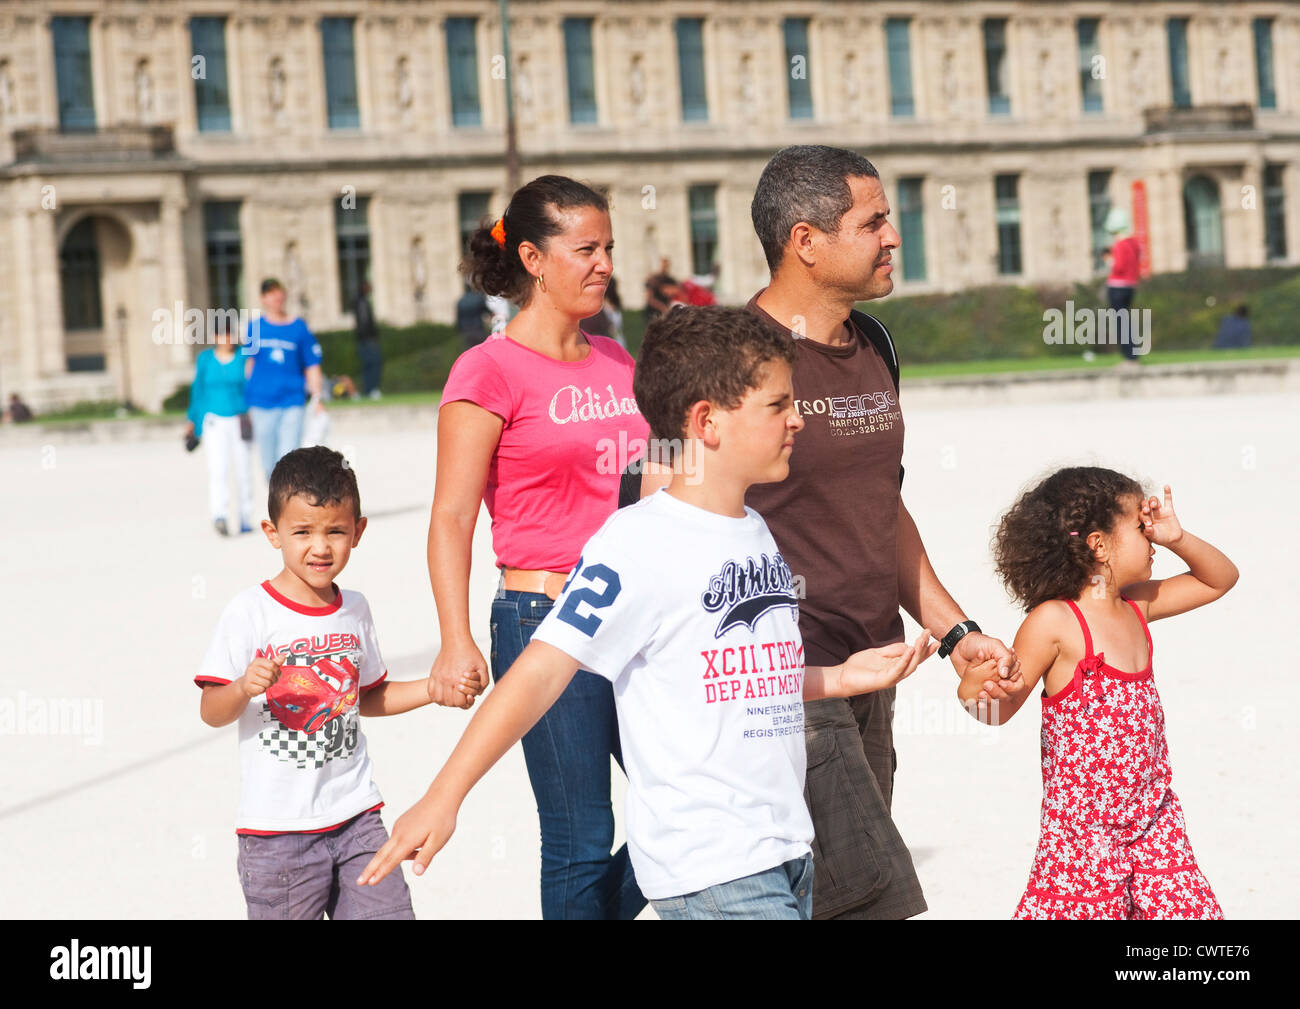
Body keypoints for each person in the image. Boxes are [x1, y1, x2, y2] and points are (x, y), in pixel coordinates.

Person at [356, 306, 940, 918]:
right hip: (714, 869)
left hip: (785, 850)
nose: (798, 419)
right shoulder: (635, 544)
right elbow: (539, 673)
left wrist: (844, 678)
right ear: (706, 422)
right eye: (777, 405)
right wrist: (443, 797)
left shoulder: (757, 530)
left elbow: (746, 680)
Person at [678, 145, 1021, 920]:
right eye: (873, 222)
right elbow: (676, 521)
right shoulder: (729, 359)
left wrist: (954, 628)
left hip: (875, 673)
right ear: (806, 241)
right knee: (874, 902)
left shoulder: (878, 344)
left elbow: (881, 504)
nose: (893, 236)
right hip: (787, 679)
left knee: (829, 903)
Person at [427, 175, 650, 919]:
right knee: (583, 835)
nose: (603, 263)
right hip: (543, 615)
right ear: (531, 257)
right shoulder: (486, 370)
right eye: (584, 249)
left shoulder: (620, 359)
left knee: (690, 802)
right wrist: (456, 638)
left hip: (637, 621)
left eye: (609, 247)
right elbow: (453, 516)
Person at [961, 468, 1236, 919]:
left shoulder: (1137, 606)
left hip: (1154, 821)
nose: (1151, 538)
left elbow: (1218, 579)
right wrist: (974, 687)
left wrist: (1176, 538)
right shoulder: (1054, 621)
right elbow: (997, 710)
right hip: (1083, 839)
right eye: (1141, 529)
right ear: (1098, 544)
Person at [195, 446, 434, 920]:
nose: (320, 547)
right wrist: (243, 686)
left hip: (358, 819)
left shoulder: (355, 609)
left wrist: (432, 688)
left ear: (358, 531)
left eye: (335, 531)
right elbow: (211, 710)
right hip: (278, 836)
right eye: (302, 532)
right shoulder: (250, 612)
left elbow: (367, 697)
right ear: (273, 533)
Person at [245, 278, 325, 480]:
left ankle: (287, 503)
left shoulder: (299, 327)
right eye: (271, 293)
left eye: (279, 292)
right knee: (267, 458)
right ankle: (275, 498)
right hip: (261, 402)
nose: (276, 297)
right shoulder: (254, 328)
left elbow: (312, 365)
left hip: (292, 400)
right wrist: (244, 397)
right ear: (263, 299)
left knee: (289, 456)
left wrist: (317, 397)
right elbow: (249, 364)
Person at [185, 315, 254, 536]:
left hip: (239, 419)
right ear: (215, 337)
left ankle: (245, 517)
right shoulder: (205, 359)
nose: (227, 339)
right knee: (218, 469)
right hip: (214, 420)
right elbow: (198, 392)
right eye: (223, 334)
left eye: (230, 334)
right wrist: (192, 422)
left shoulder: (243, 357)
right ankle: (220, 515)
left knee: (243, 468)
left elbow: (252, 387)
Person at [1104, 208, 1143, 363]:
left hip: (1118, 287)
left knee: (1121, 322)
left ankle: (1130, 356)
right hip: (1130, 286)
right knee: (1125, 319)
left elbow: (1118, 267)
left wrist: (1108, 259)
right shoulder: (1134, 243)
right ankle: (1133, 353)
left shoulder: (1120, 244)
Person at [354, 281, 382, 399]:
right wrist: (372, 336)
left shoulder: (361, 302)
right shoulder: (362, 303)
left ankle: (368, 389)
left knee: (368, 365)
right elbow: (365, 323)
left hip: (364, 339)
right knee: (373, 363)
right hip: (366, 339)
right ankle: (371, 389)